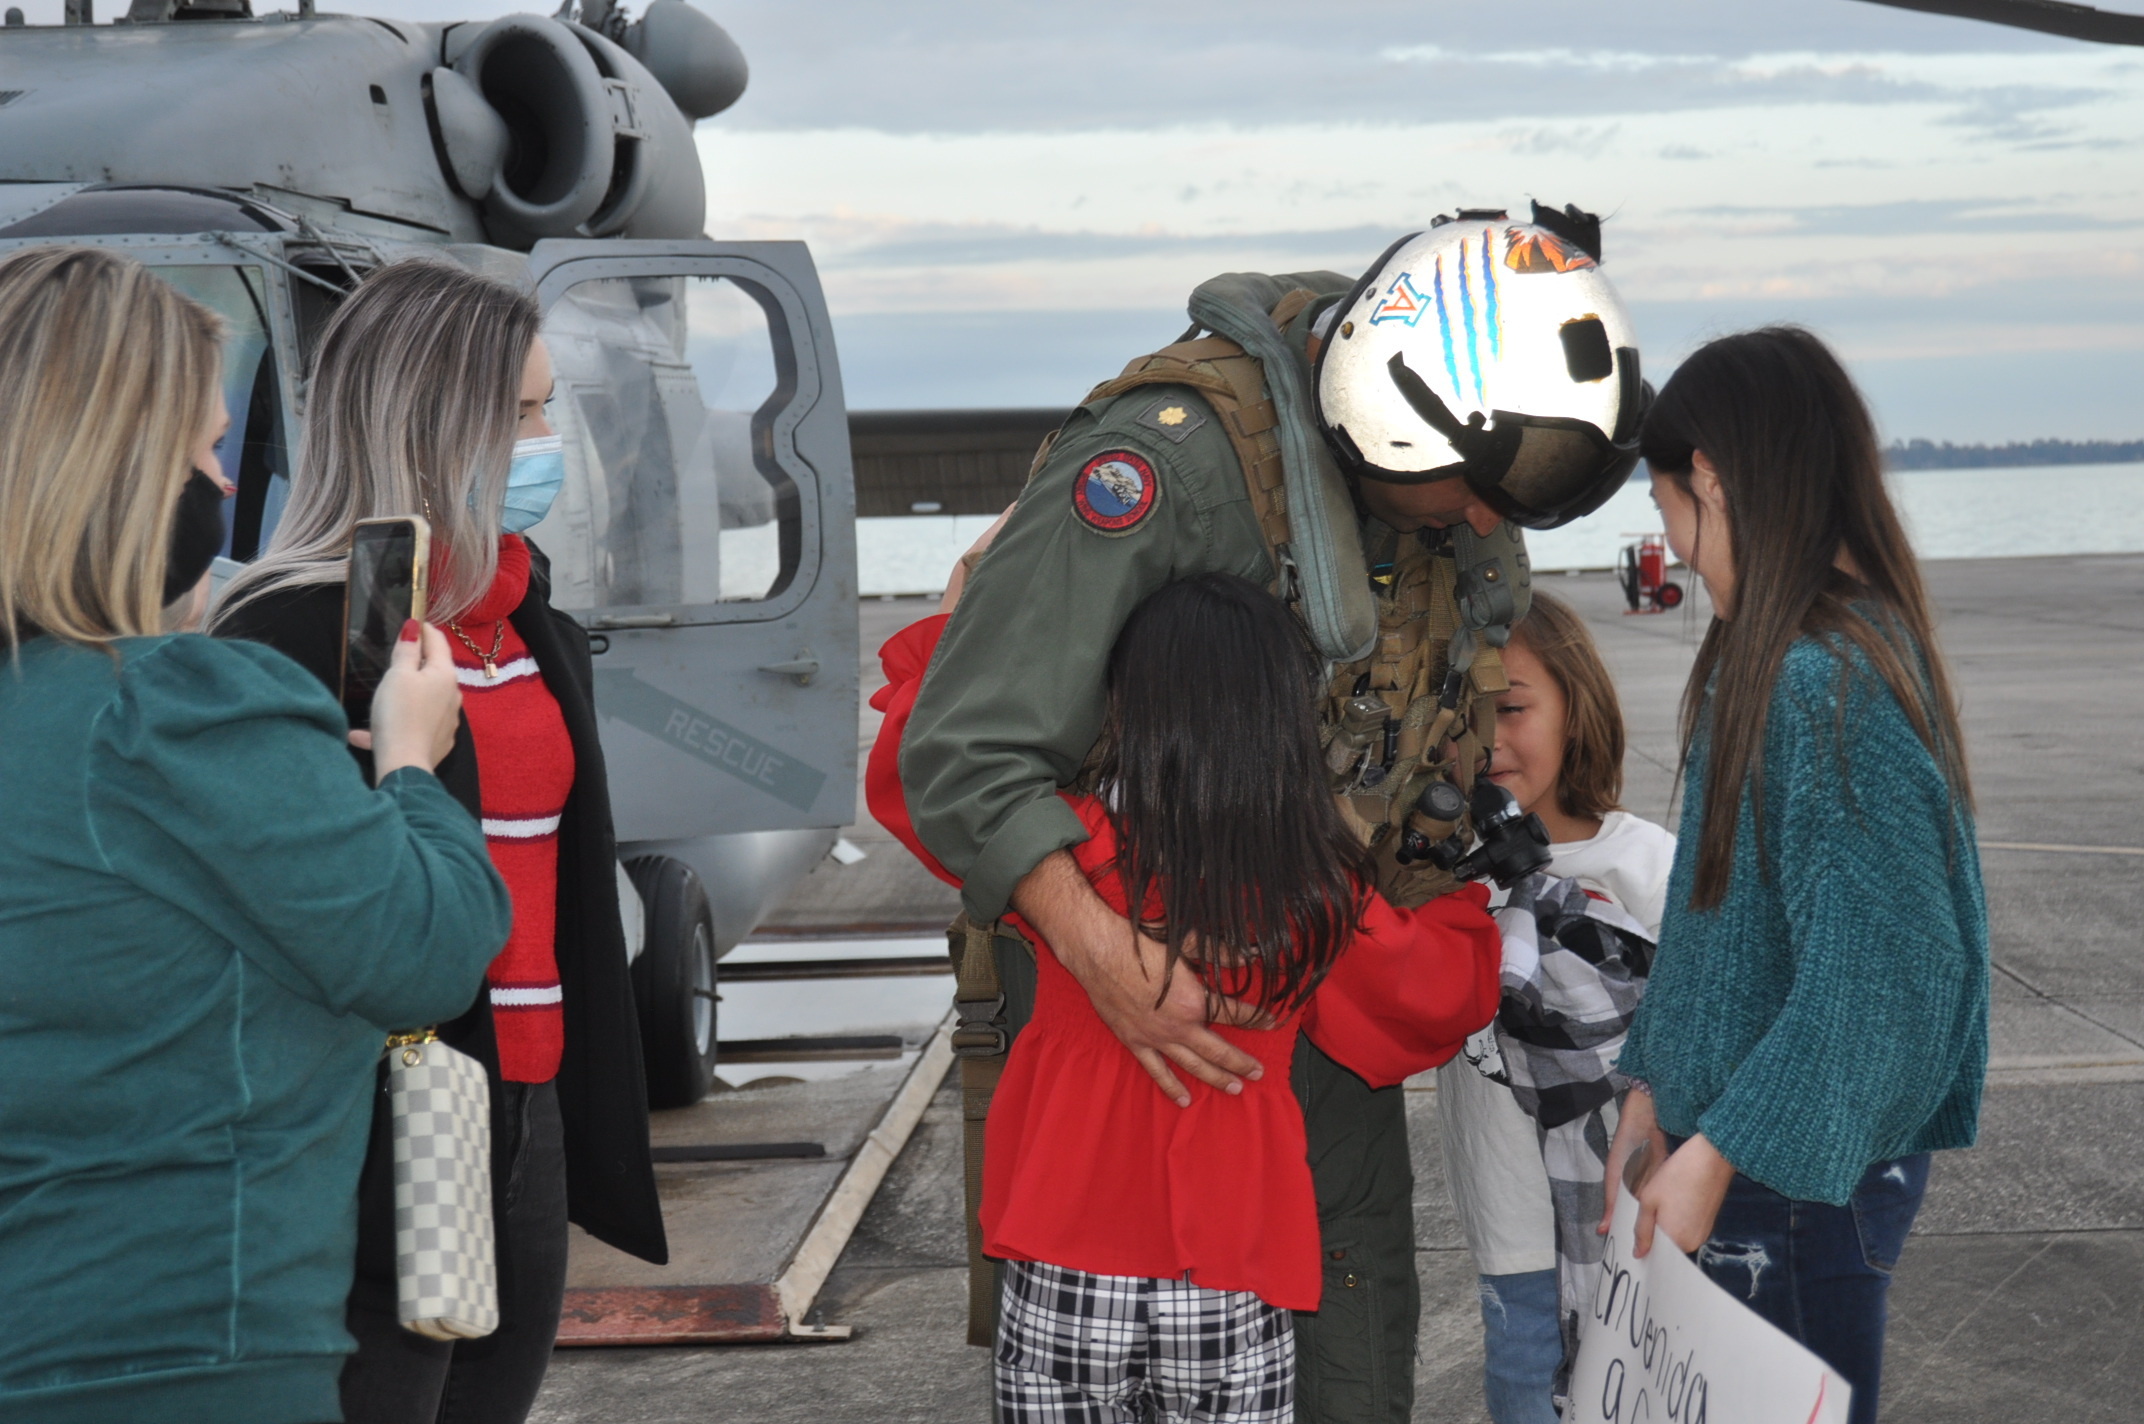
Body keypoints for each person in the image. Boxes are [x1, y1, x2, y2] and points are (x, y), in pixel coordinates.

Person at [898, 205, 1650, 1421]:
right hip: (1129, 1016)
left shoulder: (1432, 503)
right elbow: (960, 752)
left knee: (1353, 1357)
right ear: (1390, 415)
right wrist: (1107, 957)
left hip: (1322, 1010)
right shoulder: (1174, 472)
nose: (1481, 520)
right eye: (1471, 488)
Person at [0, 246, 510, 1424]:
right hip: (175, 1352)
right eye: (204, 448)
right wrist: (411, 761)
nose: (220, 482)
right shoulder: (174, 712)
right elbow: (428, 949)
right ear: (115, 469)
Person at [873, 572, 1502, 1422]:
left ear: (1121, 709)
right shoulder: (1315, 896)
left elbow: (921, 763)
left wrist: (962, 612)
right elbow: (1438, 1000)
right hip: (1231, 1280)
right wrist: (1461, 898)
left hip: (1065, 1262)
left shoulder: (1069, 855)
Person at [216, 259, 667, 1424]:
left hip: (525, 1099)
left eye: (545, 407)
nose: (543, 441)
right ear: (425, 424)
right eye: (516, 413)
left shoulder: (527, 618)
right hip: (394, 1111)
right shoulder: (295, 627)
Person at [1603, 326, 1988, 1424]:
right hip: (1763, 1160)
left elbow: (1890, 973)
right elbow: (1721, 928)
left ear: (1712, 479)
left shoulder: (1822, 680)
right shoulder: (1784, 656)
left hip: (1789, 1187)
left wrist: (1719, 1150)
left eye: (1667, 508)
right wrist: (1651, 1088)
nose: (1672, 548)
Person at [1434, 589, 1674, 1424]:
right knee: (1524, 1378)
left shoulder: (1645, 862)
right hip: (1510, 1227)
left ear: (1577, 708)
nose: (1489, 740)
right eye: (1464, 718)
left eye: (1512, 708)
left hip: (1629, 1217)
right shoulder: (1440, 877)